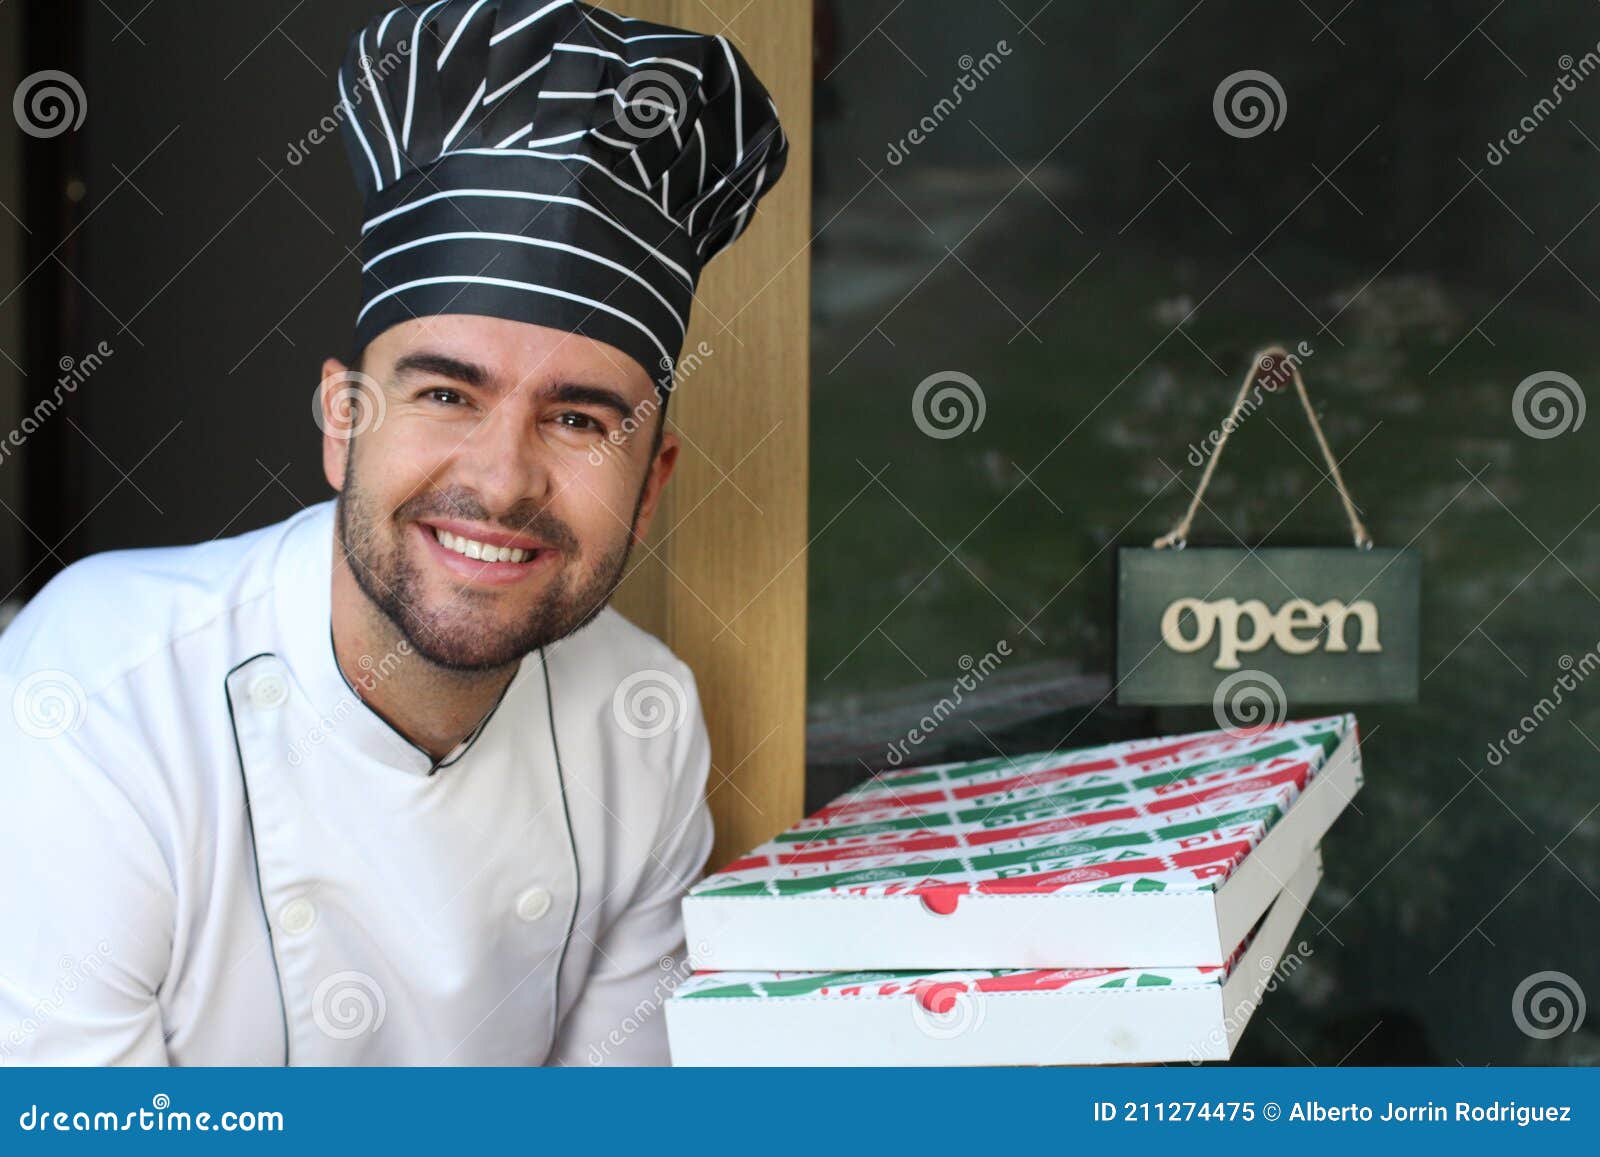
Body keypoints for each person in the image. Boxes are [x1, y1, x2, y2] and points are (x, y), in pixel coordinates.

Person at [0, 0, 787, 1065]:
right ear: (342, 422)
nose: (503, 482)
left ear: (650, 484)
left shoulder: (640, 722)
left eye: (577, 419)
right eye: (447, 396)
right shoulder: (95, 697)